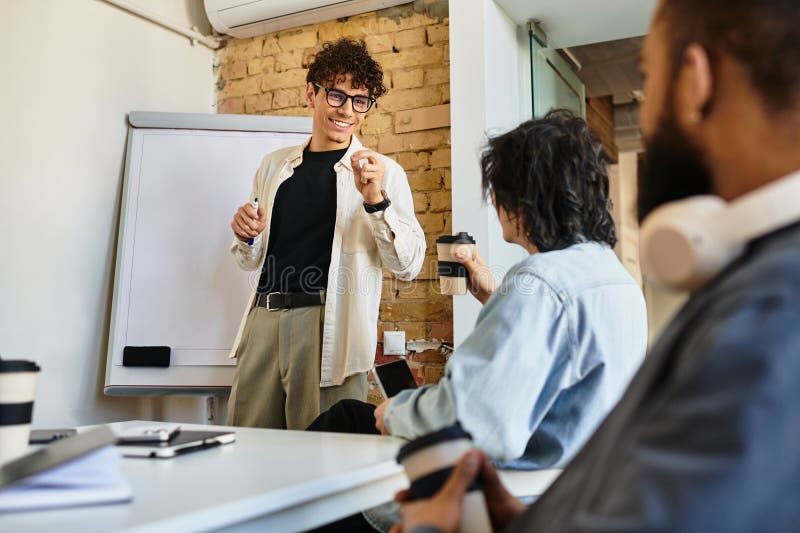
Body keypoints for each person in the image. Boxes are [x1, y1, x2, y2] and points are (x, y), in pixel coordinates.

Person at [391, 0, 800, 531]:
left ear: (695, 82)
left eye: (649, 79)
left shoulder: (772, 303)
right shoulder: (660, 282)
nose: (647, 111)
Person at [309, 110, 648, 531]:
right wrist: (492, 291)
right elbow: (554, 347)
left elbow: (478, 423)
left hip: (504, 492)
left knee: (339, 448)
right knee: (347, 417)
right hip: (570, 484)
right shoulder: (615, 279)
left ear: (521, 200)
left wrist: (396, 411)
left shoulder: (540, 283)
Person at [226, 39, 425, 430]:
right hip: (263, 319)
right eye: (336, 94)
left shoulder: (384, 172)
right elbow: (249, 257)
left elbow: (409, 265)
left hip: (327, 326)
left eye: (359, 100)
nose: (347, 109)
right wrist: (247, 235)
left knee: (323, 451)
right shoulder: (273, 166)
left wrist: (375, 202)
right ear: (311, 94)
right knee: (246, 446)